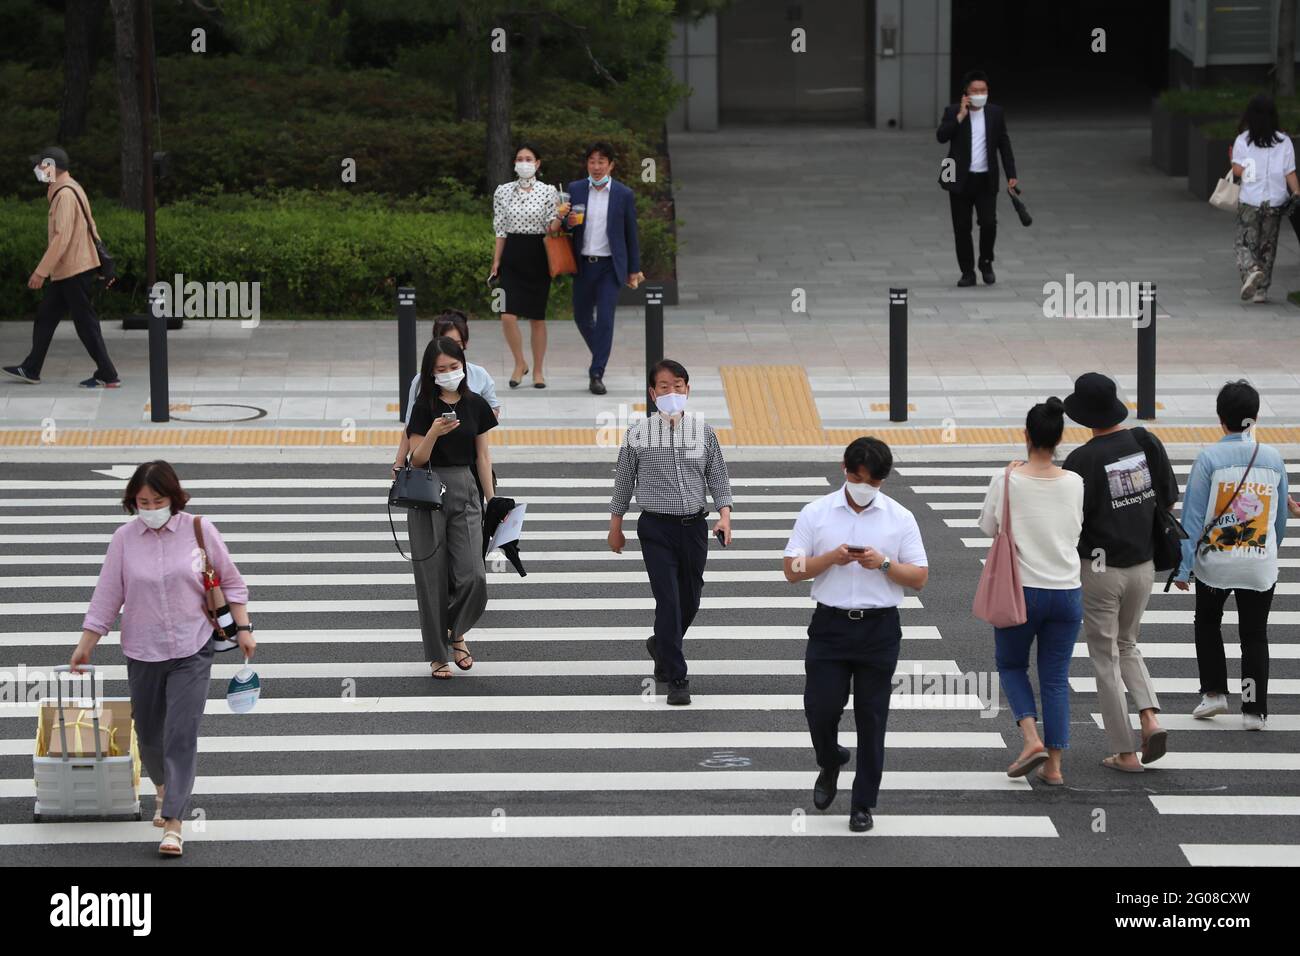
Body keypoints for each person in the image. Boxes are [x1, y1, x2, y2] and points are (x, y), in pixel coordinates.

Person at [72, 461, 254, 857]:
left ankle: (174, 822)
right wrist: (87, 643)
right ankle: (161, 788)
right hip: (143, 650)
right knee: (150, 736)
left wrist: (244, 629)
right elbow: (107, 595)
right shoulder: (124, 540)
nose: (150, 507)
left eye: (157, 500)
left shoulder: (198, 530)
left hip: (193, 647)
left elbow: (232, 581)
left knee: (181, 733)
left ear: (173, 498)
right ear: (131, 502)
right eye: (142, 501)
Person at [782, 437, 929, 832]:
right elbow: (792, 569)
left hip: (879, 629)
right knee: (820, 707)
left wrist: (883, 565)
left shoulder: (899, 518)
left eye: (875, 481)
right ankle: (830, 760)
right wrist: (831, 558)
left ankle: (863, 804)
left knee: (872, 717)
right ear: (845, 470)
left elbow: (918, 577)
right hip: (830, 626)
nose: (867, 486)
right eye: (860, 477)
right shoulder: (817, 513)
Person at [1062, 372, 1176, 772]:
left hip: (1101, 569)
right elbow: (1168, 496)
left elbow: (1071, 519)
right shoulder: (1144, 442)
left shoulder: (1081, 460)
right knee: (1128, 644)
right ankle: (1149, 716)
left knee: (1105, 658)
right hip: (1144, 566)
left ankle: (1125, 752)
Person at [608, 359, 732, 705]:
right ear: (652, 393)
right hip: (655, 528)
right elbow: (623, 483)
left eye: (678, 385)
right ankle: (677, 677)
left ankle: (661, 645)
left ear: (688, 390)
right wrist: (615, 526)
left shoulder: (705, 433)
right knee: (669, 599)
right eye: (664, 386)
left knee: (690, 598)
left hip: (693, 526)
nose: (672, 392)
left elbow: (718, 478)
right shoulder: (637, 435)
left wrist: (725, 516)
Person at [977, 399, 1083, 787]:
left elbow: (989, 527)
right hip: (1067, 591)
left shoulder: (1007, 479)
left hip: (1020, 591)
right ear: (1059, 439)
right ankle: (1053, 766)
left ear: (1026, 436)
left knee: (1010, 665)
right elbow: (1076, 529)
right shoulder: (1075, 482)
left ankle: (1030, 739)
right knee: (1055, 678)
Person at [1174, 381, 1288, 730]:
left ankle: (1214, 693)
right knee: (1254, 634)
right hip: (1259, 564)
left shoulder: (1209, 459)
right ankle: (1254, 710)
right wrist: (1268, 552)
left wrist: (1183, 567)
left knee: (1208, 623)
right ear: (1254, 419)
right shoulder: (1273, 459)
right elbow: (1279, 519)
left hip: (1216, 564)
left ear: (1221, 419)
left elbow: (1192, 519)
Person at [406, 336, 497, 679]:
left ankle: (455, 630)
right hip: (428, 492)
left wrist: (492, 500)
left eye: (454, 367)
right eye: (441, 369)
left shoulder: (476, 405)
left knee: (473, 575)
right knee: (432, 578)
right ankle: (437, 654)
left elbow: (484, 455)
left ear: (464, 365)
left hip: (467, 488)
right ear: (430, 373)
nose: (448, 373)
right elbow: (417, 459)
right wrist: (433, 432)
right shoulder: (423, 407)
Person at [4, 147, 120, 388]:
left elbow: (61, 238)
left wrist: (40, 271)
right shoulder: (70, 188)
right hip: (69, 269)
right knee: (46, 317)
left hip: (74, 270)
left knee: (86, 325)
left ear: (52, 168)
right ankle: (31, 368)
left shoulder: (65, 195)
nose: (37, 170)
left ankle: (108, 374)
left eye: (41, 166)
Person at [564, 142, 644, 395]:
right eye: (592, 161)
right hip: (583, 264)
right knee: (581, 316)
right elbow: (567, 227)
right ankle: (601, 351)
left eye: (601, 162)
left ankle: (596, 372)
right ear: (587, 163)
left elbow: (631, 233)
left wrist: (634, 268)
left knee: (606, 319)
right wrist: (566, 219)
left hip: (610, 266)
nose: (596, 167)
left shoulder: (623, 194)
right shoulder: (575, 189)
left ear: (611, 165)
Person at [492, 142, 564, 389]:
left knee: (537, 317)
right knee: (507, 315)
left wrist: (561, 216)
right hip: (512, 253)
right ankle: (519, 362)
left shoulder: (548, 191)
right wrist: (496, 261)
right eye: (520, 158)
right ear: (514, 163)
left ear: (537, 163)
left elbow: (551, 228)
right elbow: (500, 229)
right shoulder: (502, 191)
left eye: (528, 158)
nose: (524, 162)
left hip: (538, 253)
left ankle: (538, 370)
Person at [392, 310, 500, 475]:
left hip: (470, 459)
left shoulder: (480, 375)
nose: (452, 349)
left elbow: (492, 412)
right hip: (434, 467)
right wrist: (399, 462)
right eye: (448, 342)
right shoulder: (422, 381)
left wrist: (471, 417)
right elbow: (411, 426)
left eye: (457, 343)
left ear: (465, 343)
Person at [936, 70, 1017, 288]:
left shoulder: (995, 113)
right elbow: (941, 136)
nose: (980, 94)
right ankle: (967, 271)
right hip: (959, 179)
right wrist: (960, 116)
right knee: (962, 228)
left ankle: (986, 261)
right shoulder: (953, 111)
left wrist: (1012, 174)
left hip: (986, 179)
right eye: (975, 91)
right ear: (966, 93)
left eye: (983, 90)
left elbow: (1004, 144)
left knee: (989, 223)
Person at [1231, 94, 1299, 303]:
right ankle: (1261, 291)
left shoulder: (1243, 140)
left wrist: (1237, 163)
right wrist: (1296, 193)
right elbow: (1290, 172)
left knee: (1244, 242)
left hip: (1250, 199)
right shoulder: (1284, 141)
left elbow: (1238, 171)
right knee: (1267, 245)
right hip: (1276, 201)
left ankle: (1251, 270)